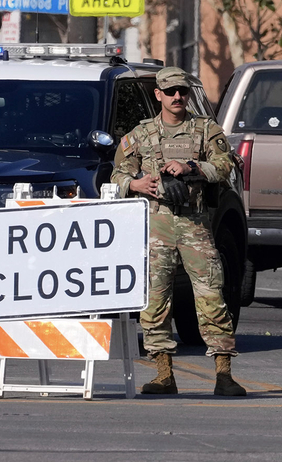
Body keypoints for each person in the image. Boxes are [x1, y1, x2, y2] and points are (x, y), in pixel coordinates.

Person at [112, 67, 246, 397]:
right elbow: (116, 175)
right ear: (158, 94)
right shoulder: (140, 135)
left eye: (182, 92)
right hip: (155, 228)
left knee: (212, 295)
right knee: (155, 300)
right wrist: (136, 184)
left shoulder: (205, 130)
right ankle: (163, 373)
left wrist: (193, 167)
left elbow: (227, 165)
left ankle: (224, 373)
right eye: (170, 91)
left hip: (195, 225)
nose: (177, 97)